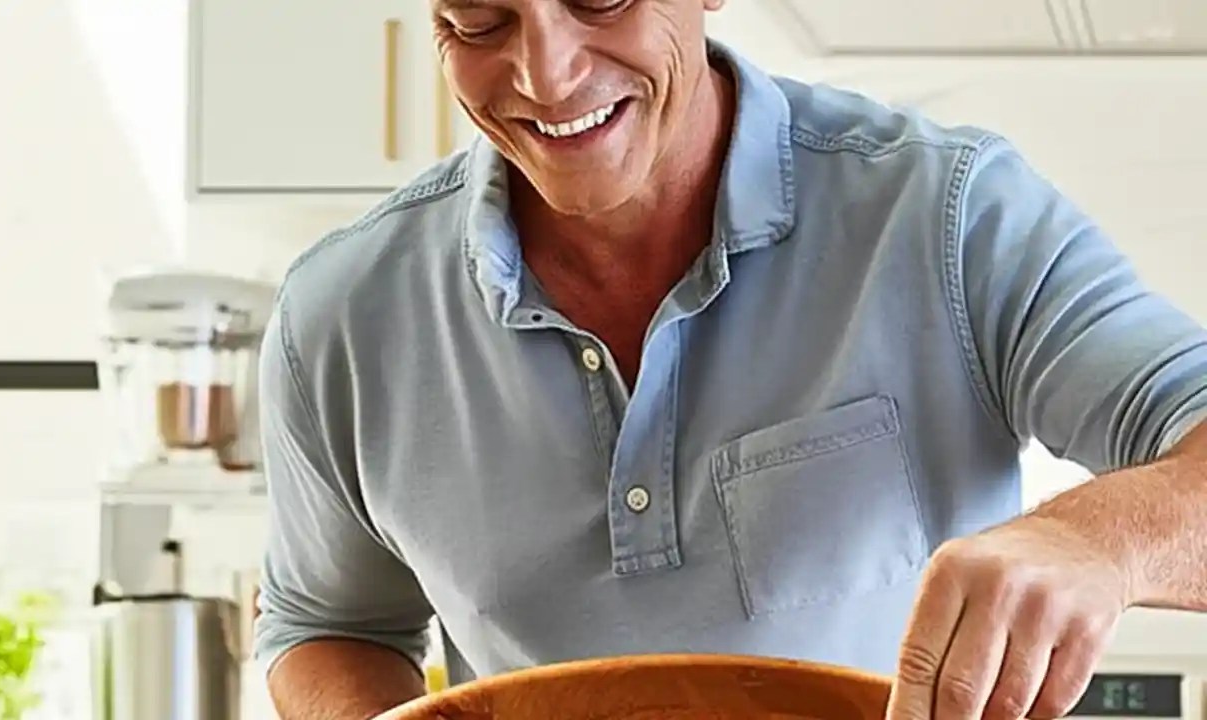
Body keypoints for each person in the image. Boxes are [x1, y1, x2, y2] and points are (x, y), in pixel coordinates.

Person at [252, 1, 1207, 718]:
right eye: (480, 19)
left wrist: (1098, 540)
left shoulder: (948, 214)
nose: (544, 74)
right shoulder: (341, 314)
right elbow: (325, 626)